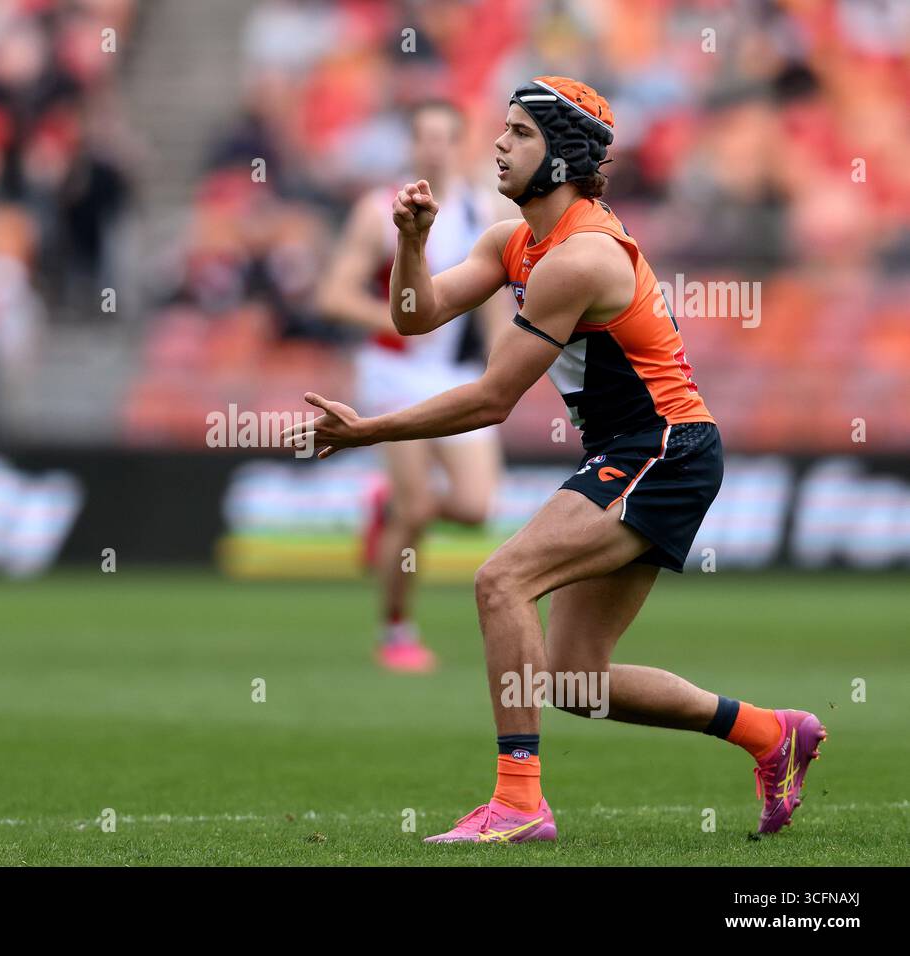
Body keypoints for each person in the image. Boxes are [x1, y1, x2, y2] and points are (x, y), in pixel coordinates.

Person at [284, 77, 825, 842]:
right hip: (634, 452)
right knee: (575, 680)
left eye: (520, 133)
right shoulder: (513, 240)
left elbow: (491, 400)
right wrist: (409, 244)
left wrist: (367, 431)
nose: (499, 144)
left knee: (501, 580)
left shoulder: (581, 257)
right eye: (502, 129)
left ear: (565, 156)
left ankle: (518, 805)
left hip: (663, 450)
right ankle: (772, 735)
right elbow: (415, 316)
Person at [316, 100, 504, 673]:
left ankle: (386, 511)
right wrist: (401, 319)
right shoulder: (379, 210)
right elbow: (333, 295)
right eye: (424, 136)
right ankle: (397, 630)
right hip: (394, 373)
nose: (435, 147)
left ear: (462, 142)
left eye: (446, 137)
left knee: (475, 508)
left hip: (452, 373)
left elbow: (497, 292)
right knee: (418, 507)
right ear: (412, 144)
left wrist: (504, 358)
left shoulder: (482, 207)